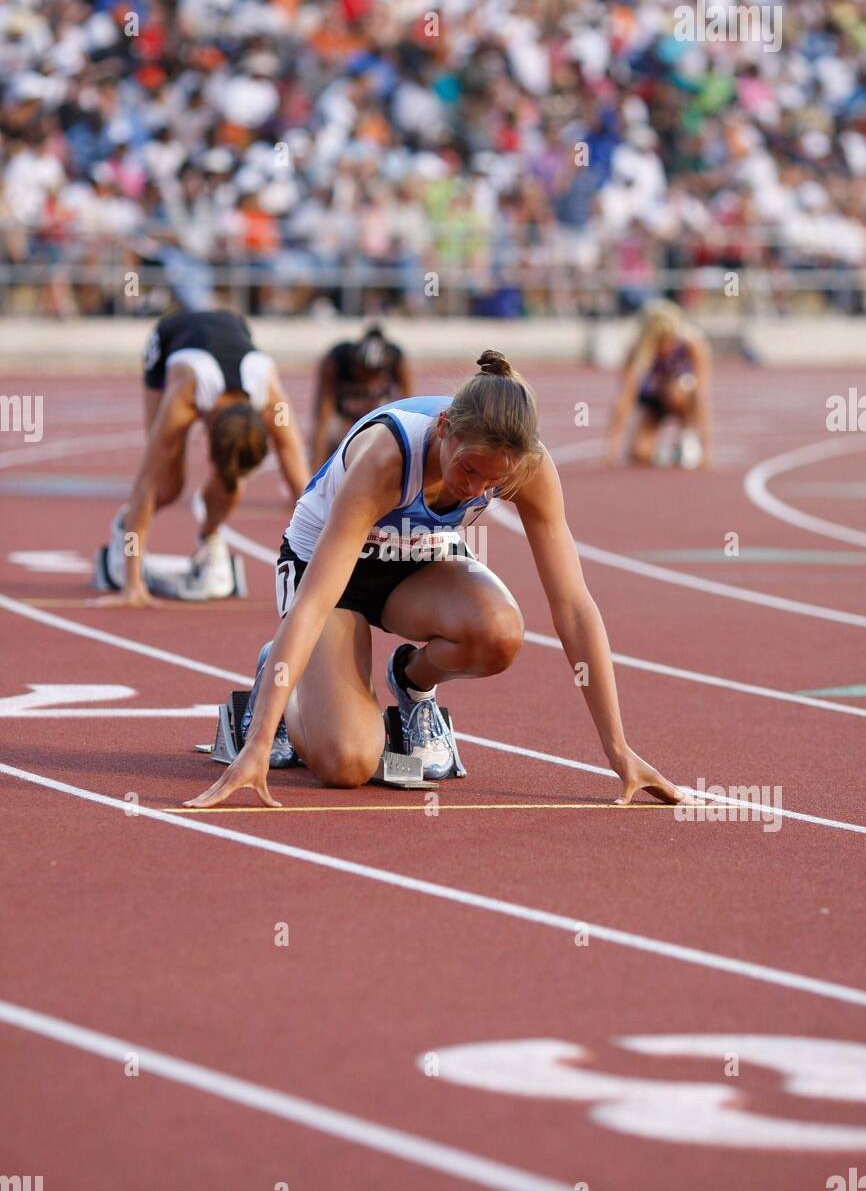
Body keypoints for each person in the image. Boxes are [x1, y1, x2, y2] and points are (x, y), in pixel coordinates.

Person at [184, 350, 683, 809]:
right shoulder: (387, 458)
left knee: (500, 633)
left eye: (494, 482)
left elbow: (573, 606)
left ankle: (411, 684)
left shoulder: (526, 465)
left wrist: (618, 750)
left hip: (419, 562)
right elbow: (316, 600)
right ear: (444, 428)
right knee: (346, 764)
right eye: (468, 470)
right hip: (331, 569)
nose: (476, 489)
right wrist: (257, 745)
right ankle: (270, 693)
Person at [100, 308, 310, 607]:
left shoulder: (273, 403)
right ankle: (125, 530)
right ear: (208, 429)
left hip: (234, 323)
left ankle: (209, 538)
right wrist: (132, 585)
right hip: (172, 337)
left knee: (230, 481)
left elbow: (304, 494)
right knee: (167, 485)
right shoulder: (183, 397)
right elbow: (144, 486)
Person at [606, 300, 711, 468]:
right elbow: (625, 397)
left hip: (683, 398)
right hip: (654, 402)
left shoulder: (692, 345)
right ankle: (668, 453)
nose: (666, 347)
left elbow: (701, 396)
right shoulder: (638, 349)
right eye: (660, 342)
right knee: (640, 453)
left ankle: (686, 435)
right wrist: (612, 446)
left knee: (676, 391)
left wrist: (706, 448)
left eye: (669, 341)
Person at [310, 323, 410, 470]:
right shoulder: (336, 361)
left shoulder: (396, 360)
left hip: (377, 412)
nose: (368, 380)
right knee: (335, 444)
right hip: (343, 417)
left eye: (374, 375)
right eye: (364, 372)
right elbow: (323, 418)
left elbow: (407, 407)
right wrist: (315, 469)